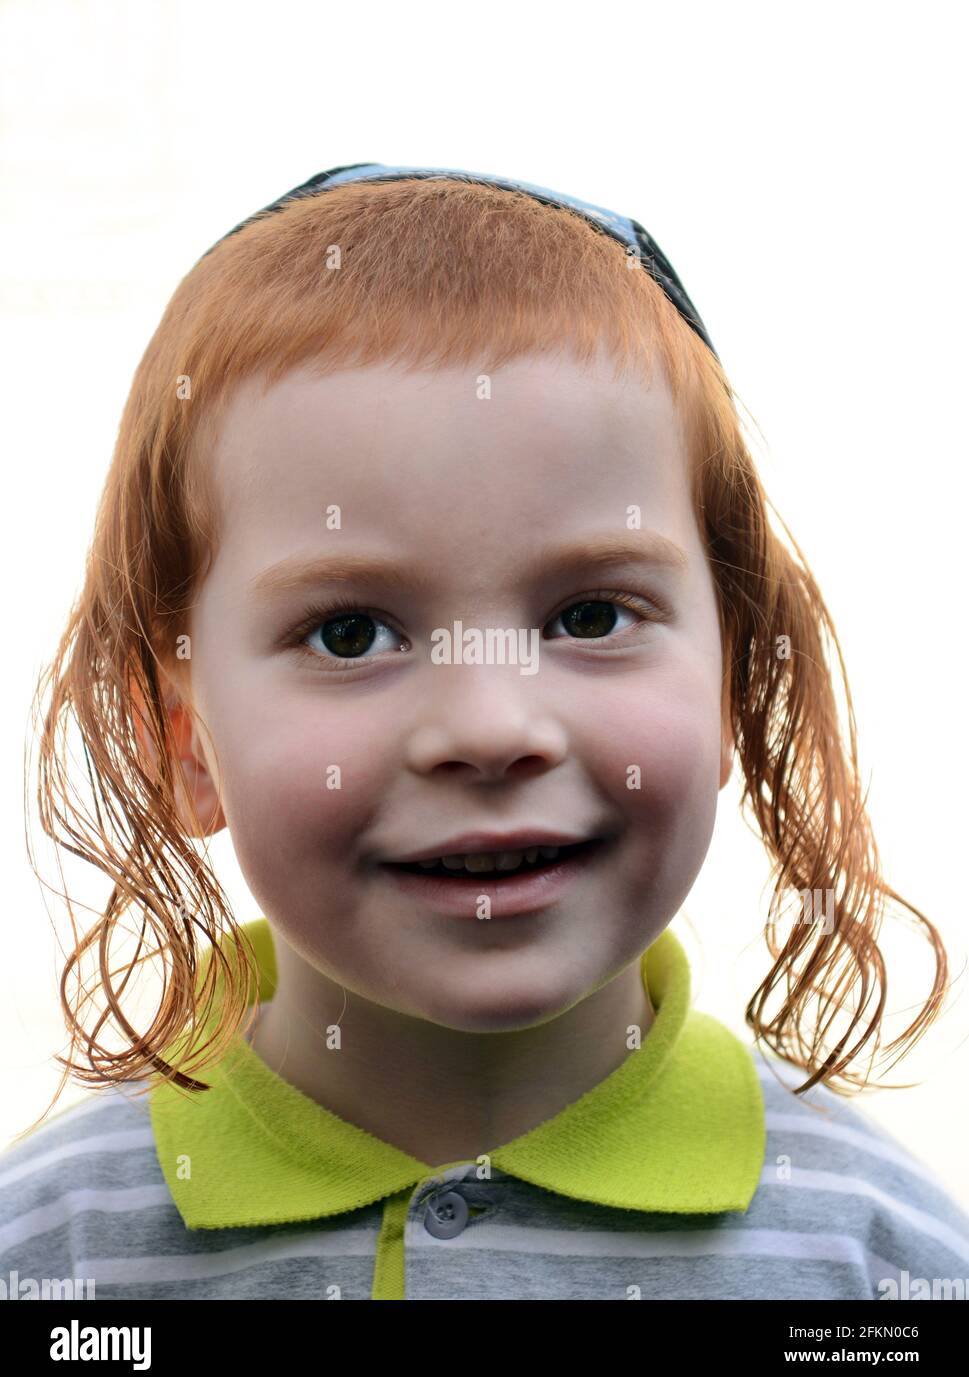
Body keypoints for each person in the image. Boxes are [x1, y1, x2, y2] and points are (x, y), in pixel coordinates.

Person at [3, 164, 967, 1301]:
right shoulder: (55, 1263)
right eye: (352, 633)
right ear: (185, 739)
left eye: (591, 615)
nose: (490, 725)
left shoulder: (877, 1266)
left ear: (729, 686)